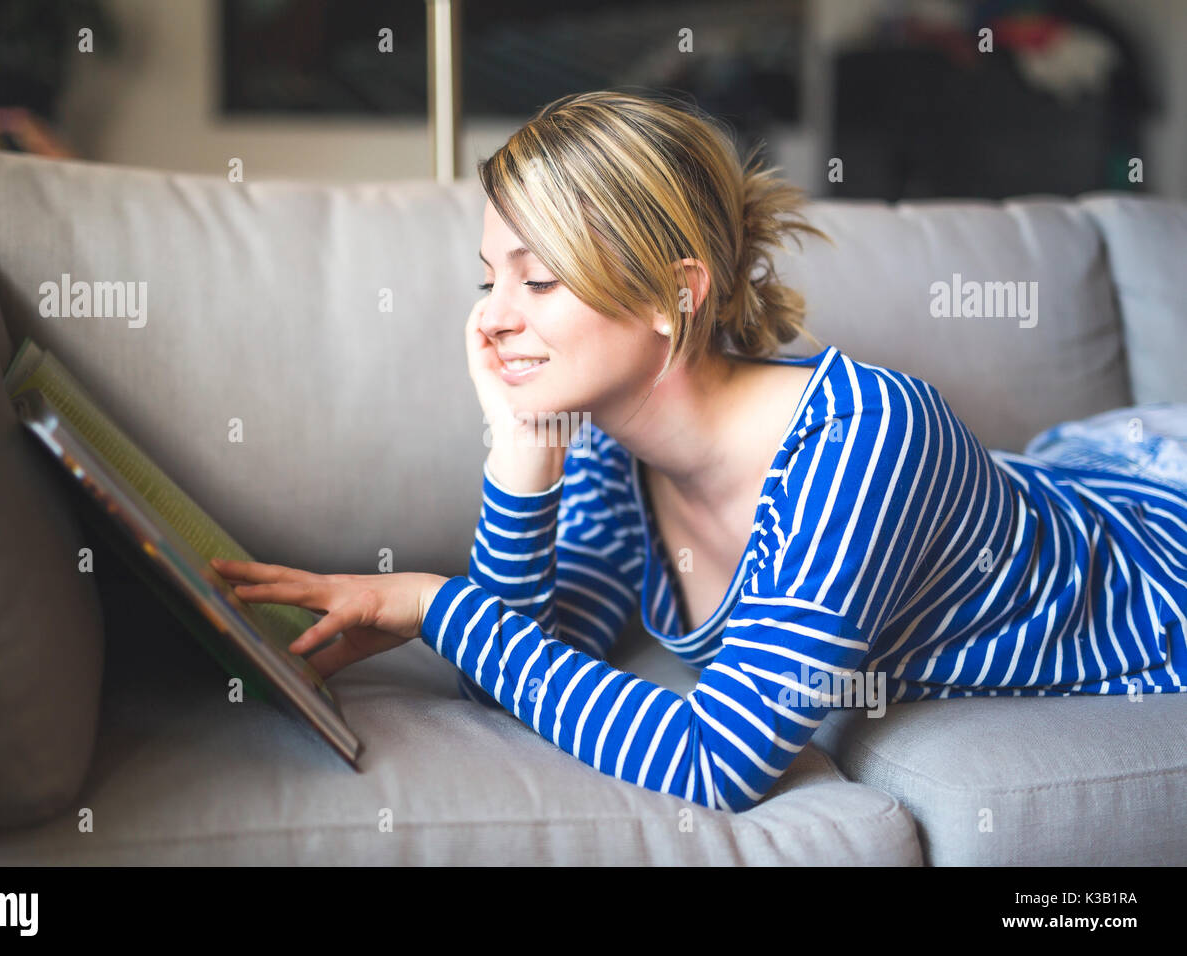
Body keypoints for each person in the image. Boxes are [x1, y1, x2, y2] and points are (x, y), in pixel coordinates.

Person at [213, 90, 1187, 814]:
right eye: (487, 280)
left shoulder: (864, 439)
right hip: (1065, 473)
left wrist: (432, 600)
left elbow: (712, 761)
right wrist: (521, 444)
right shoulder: (606, 449)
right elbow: (511, 665)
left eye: (539, 280)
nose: (491, 321)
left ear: (672, 291)